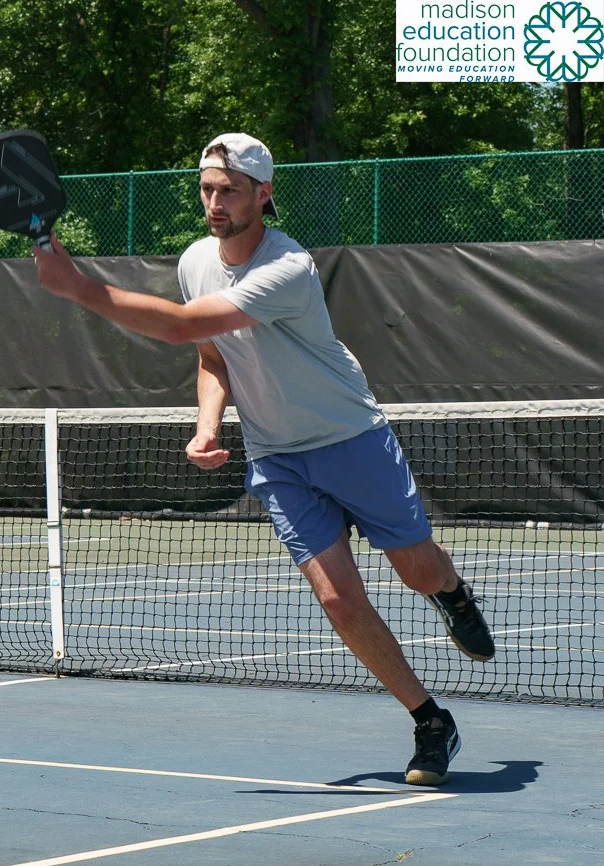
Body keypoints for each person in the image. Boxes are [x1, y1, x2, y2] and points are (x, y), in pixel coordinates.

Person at [31, 132, 495, 786]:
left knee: (417, 571)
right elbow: (211, 355)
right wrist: (206, 424)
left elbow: (181, 327)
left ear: (263, 194)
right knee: (338, 600)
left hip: (350, 439)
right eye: (206, 189)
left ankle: (449, 590)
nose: (214, 202)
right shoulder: (196, 262)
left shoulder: (288, 268)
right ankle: (430, 721)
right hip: (279, 458)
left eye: (228, 191)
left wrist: (78, 287)